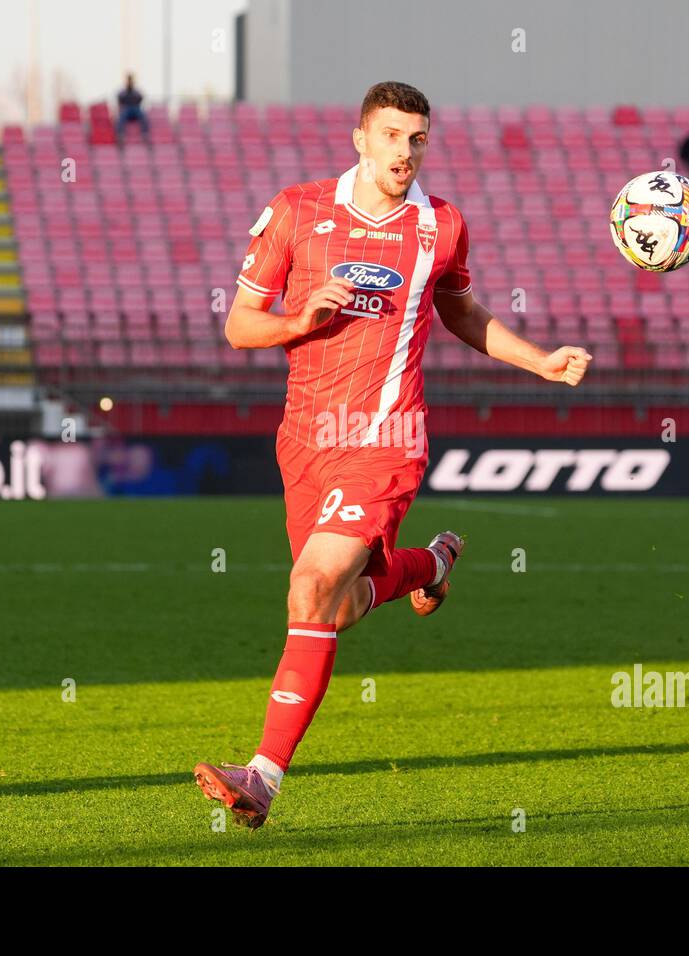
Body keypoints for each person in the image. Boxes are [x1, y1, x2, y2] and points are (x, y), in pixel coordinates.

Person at [193, 81, 591, 829]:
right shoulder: (297, 211)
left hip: (385, 439)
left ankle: (263, 776)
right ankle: (430, 564)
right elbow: (240, 326)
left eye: (417, 139)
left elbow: (461, 308)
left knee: (310, 588)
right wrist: (297, 319)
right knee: (335, 608)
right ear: (360, 138)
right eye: (392, 136)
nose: (405, 152)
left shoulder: (440, 226)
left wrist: (538, 361)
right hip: (305, 441)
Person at [115, 73, 149, 144]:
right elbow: (120, 99)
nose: (130, 81)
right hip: (126, 110)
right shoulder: (123, 91)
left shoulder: (136, 91)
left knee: (143, 115)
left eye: (131, 80)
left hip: (135, 109)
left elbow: (140, 98)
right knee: (121, 116)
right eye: (129, 80)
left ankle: (145, 134)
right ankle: (121, 135)